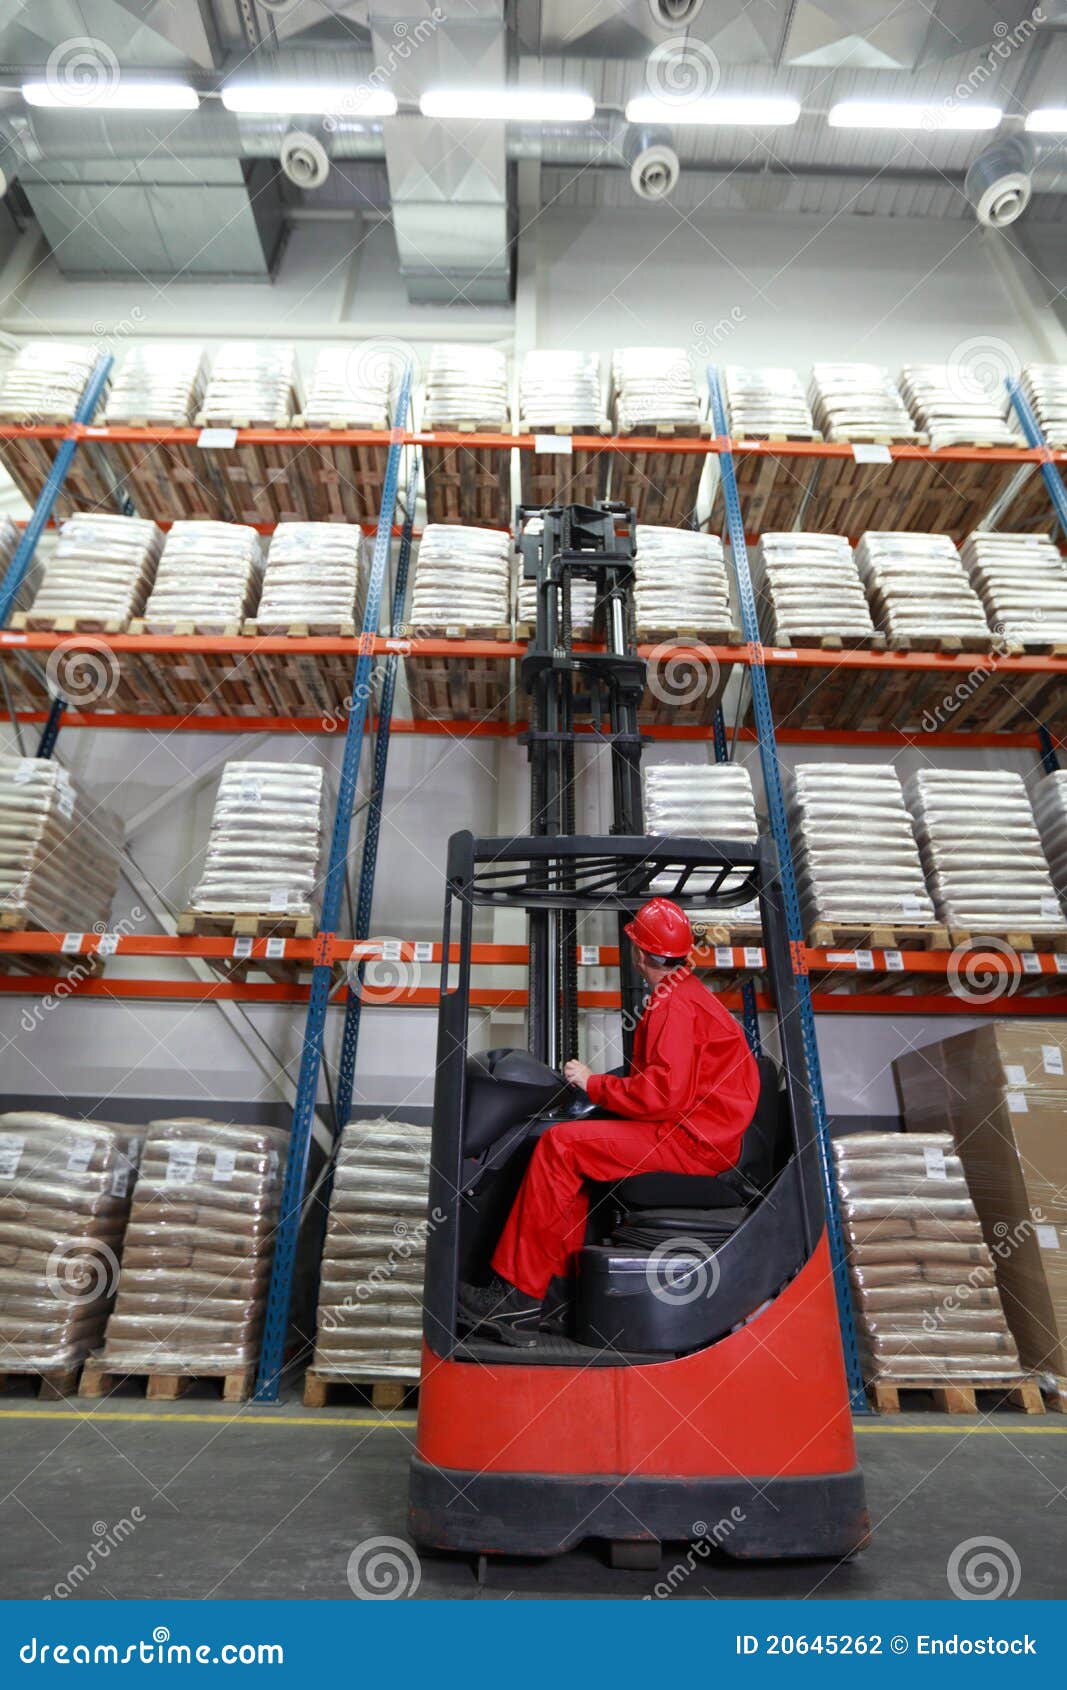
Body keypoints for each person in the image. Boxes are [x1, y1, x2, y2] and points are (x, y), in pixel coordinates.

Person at [458, 896, 760, 1346]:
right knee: (574, 1154)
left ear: (639, 954)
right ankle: (557, 1298)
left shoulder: (671, 1005)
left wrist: (594, 1084)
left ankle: (516, 1299)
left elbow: (662, 1094)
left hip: (690, 1140)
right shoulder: (690, 995)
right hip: (699, 1132)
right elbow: (672, 1082)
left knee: (560, 1146)